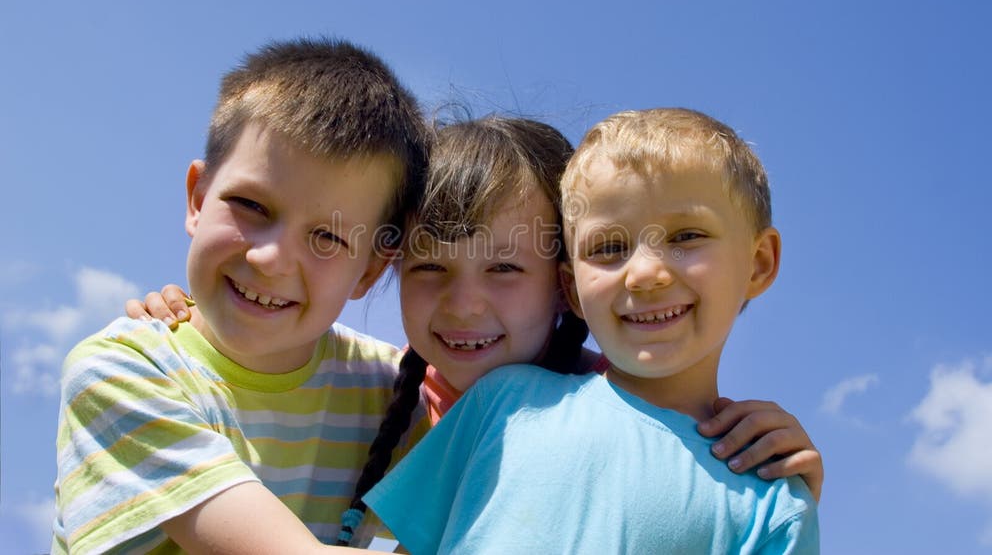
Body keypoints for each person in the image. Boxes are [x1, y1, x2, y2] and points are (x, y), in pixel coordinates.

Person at [131, 115, 823, 543]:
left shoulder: (612, 399)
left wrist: (771, 471)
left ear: (564, 282)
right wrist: (191, 319)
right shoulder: (367, 380)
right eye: (429, 269)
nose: (463, 308)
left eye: (503, 270)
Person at [363, 108, 819, 553]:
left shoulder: (774, 502)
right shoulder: (500, 401)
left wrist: (784, 489)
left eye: (686, 236)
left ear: (758, 263)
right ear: (573, 286)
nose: (645, 273)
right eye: (609, 247)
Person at [53, 38, 432, 554]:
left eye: (327, 237)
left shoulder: (396, 395)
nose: (271, 259)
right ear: (198, 197)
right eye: (251, 205)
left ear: (369, 270)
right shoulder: (120, 371)